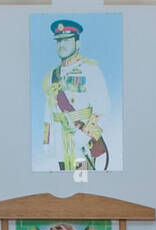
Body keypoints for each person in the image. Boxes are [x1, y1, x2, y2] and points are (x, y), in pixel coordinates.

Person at [41, 19, 111, 171]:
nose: (62, 45)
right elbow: (49, 110)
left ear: (77, 43)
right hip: (60, 141)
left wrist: (84, 136)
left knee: (82, 184)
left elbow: (102, 110)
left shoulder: (90, 70)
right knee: (63, 184)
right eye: (58, 41)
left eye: (67, 40)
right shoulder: (52, 75)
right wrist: (46, 140)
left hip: (80, 139)